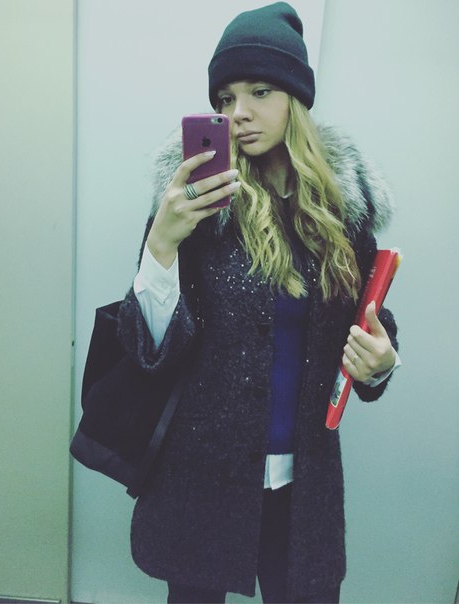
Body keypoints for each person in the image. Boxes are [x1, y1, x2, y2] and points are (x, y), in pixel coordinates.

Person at [117, 3, 400, 603]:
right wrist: (161, 244)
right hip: (200, 478)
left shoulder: (343, 211)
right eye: (225, 98)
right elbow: (149, 348)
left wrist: (380, 360)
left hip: (304, 485)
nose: (237, 112)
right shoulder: (196, 206)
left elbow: (368, 324)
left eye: (260, 91)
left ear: (296, 98)